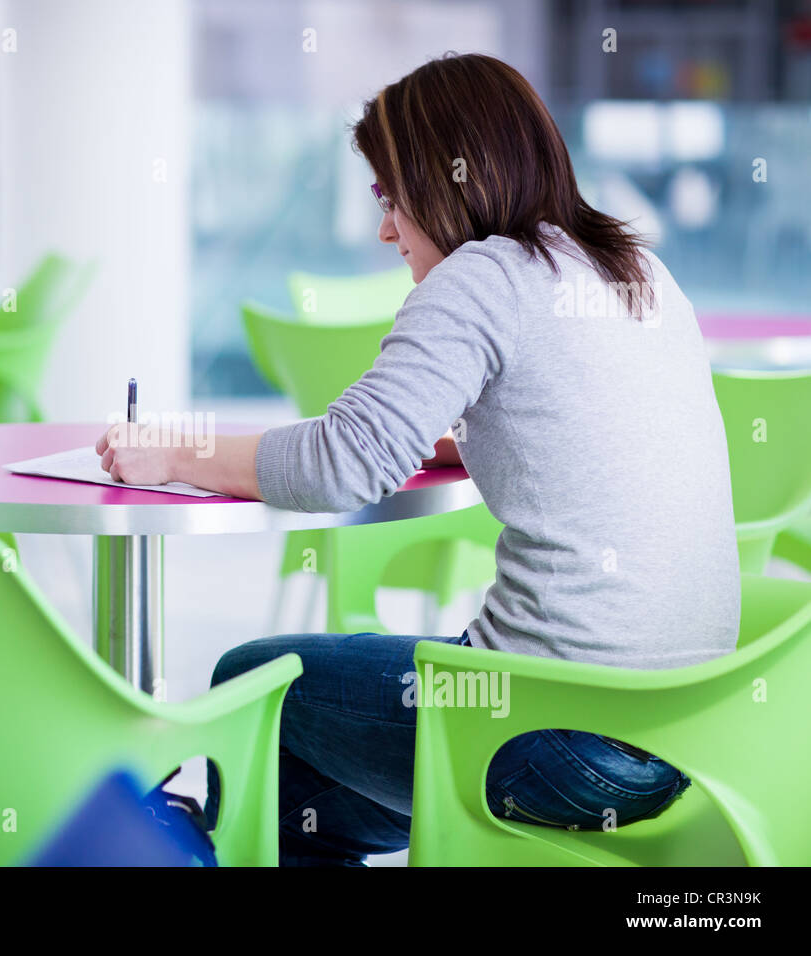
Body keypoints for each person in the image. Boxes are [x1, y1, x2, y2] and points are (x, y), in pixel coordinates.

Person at [95, 52, 740, 866]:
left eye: (390, 196)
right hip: (688, 739)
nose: (386, 228)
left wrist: (173, 450)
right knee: (306, 787)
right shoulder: (636, 267)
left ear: (449, 180)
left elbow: (343, 463)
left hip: (550, 737)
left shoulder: (486, 275)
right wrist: (457, 437)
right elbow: (581, 425)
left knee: (254, 677)